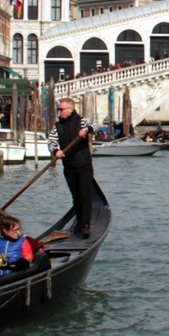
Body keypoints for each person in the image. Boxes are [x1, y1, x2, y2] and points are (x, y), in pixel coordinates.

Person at [51, 98, 96, 237]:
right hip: (69, 167)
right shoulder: (57, 126)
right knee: (75, 197)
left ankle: (86, 225)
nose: (59, 112)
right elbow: (51, 141)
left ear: (70, 110)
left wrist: (87, 130)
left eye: (61, 109)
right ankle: (79, 222)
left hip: (84, 165)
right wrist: (55, 151)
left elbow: (95, 126)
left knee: (85, 196)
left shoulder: (83, 121)